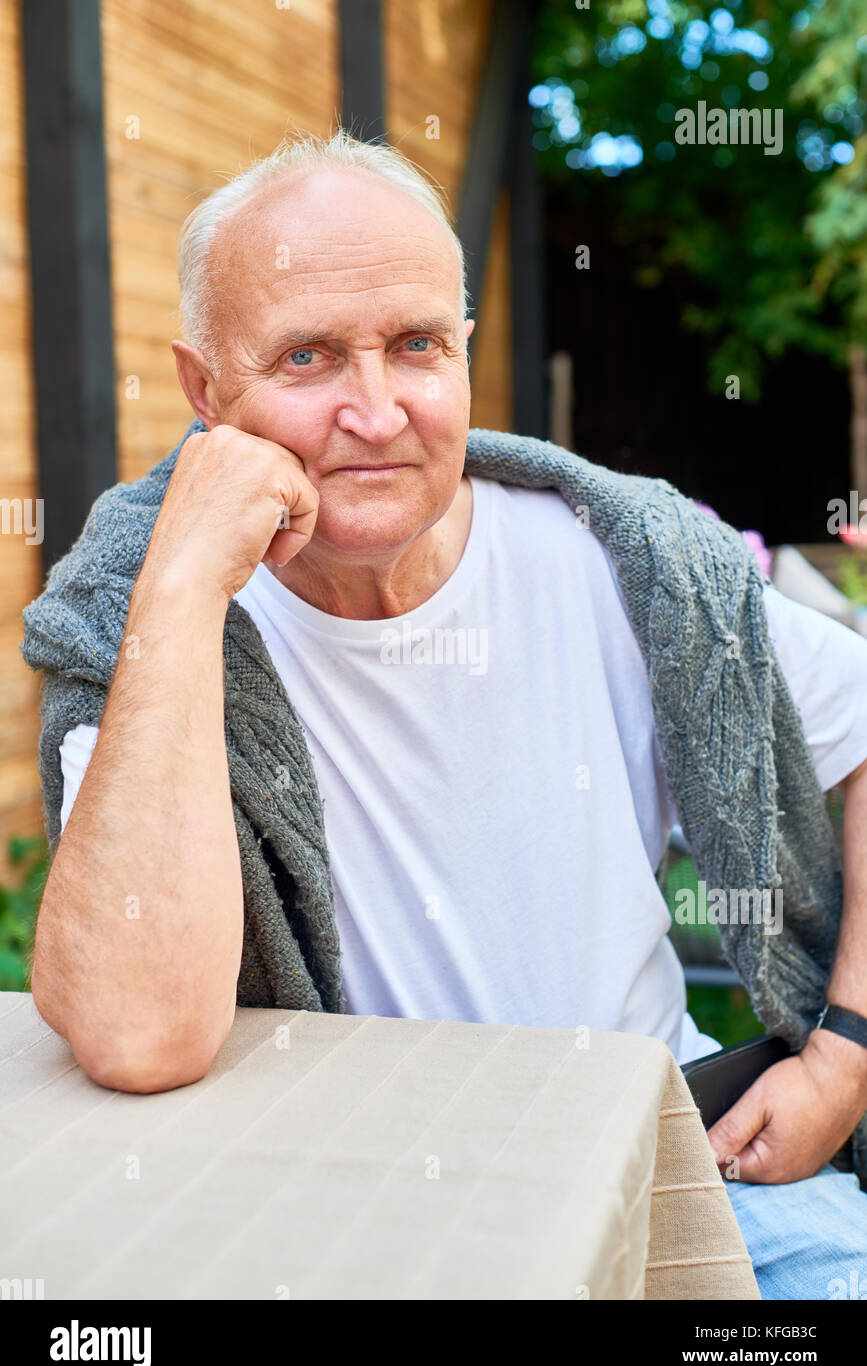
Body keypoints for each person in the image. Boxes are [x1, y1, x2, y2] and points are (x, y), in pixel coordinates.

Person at [20, 129, 867, 1299]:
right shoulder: (136, 615)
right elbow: (138, 1033)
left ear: (465, 352)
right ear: (203, 390)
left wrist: (847, 1050)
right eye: (308, 357)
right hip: (349, 1213)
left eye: (415, 346)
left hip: (682, 1165)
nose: (376, 411)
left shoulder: (628, 562)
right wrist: (177, 590)